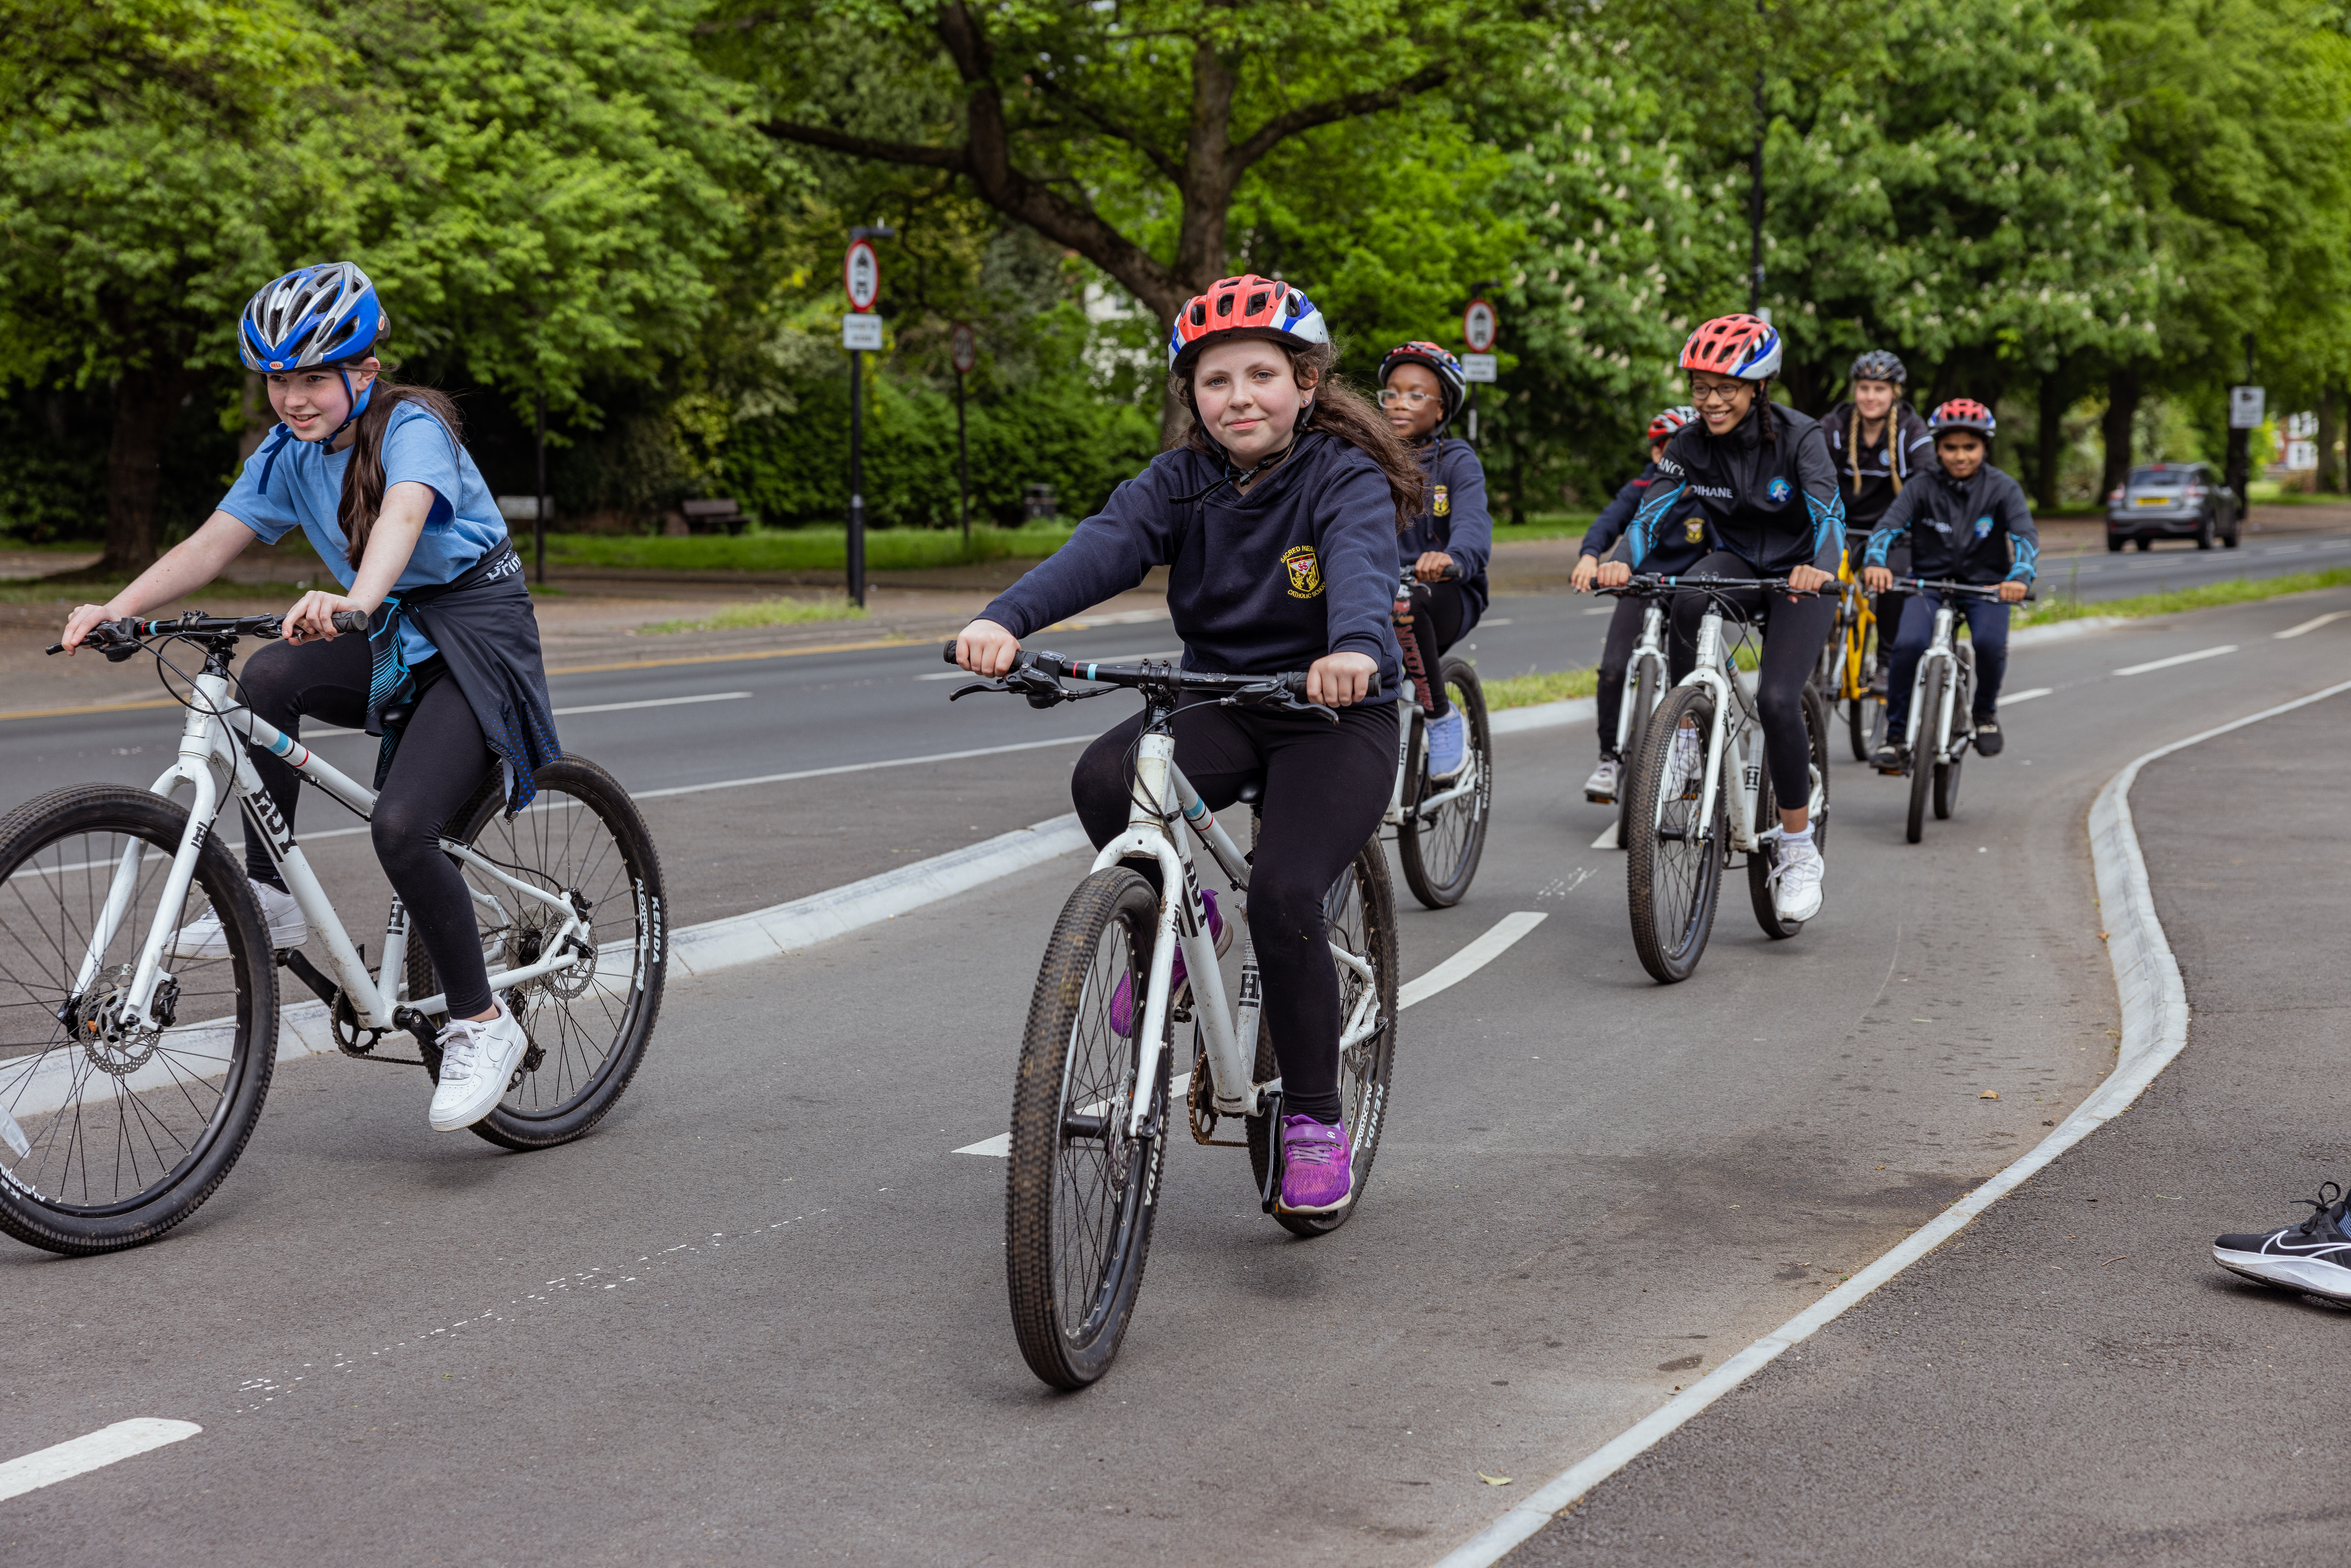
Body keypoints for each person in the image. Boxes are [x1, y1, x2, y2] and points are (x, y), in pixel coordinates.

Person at [57, 261, 562, 1135]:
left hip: (471, 635)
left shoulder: (412, 427)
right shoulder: (287, 455)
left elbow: (404, 514)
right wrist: (121, 609)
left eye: (312, 378)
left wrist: (357, 601)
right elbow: (214, 539)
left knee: (403, 828)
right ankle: (271, 893)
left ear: (362, 373)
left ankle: (482, 1023)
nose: (292, 398)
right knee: (261, 681)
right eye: (278, 379)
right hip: (391, 625)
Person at [952, 274, 1417, 1218]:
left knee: (1286, 890)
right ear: (1190, 396)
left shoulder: (1342, 475)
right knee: (1102, 776)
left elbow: (1363, 565)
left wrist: (1355, 648)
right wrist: (1005, 618)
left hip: (1336, 710)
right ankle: (1182, 920)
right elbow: (1105, 545)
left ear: (1305, 383)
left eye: (1259, 375)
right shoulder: (1182, 479)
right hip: (1224, 693)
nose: (1238, 397)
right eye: (1214, 381)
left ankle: (1315, 1120)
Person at [1623, 313, 1843, 923]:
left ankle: (1798, 852)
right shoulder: (1690, 443)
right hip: (1740, 562)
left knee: (1776, 700)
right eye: (1701, 387)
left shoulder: (1800, 437)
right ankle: (1690, 734)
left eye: (1725, 388)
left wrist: (1820, 567)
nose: (1711, 400)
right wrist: (1620, 562)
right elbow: (1649, 515)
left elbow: (1830, 517)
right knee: (1688, 594)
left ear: (1757, 389)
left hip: (1802, 574)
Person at [1862, 398, 2036, 766]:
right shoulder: (1921, 486)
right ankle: (1895, 737)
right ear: (1938, 449)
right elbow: (1887, 528)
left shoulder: (2003, 488)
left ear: (1985, 448)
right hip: (1927, 584)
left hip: (1986, 587)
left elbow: (2025, 538)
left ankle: (1985, 714)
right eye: (1951, 448)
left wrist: (2019, 577)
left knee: (1989, 646)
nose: (1961, 456)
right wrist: (1876, 562)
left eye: (1970, 447)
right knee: (1907, 647)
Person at [1570, 406, 1707, 802]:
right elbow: (1608, 522)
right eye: (1667, 448)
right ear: (1656, 455)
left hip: (1688, 591)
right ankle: (1609, 760)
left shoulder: (1710, 494)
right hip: (1639, 587)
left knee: (1694, 670)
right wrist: (1590, 556)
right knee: (1613, 668)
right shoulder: (1640, 488)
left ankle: (1693, 748)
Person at [1377, 341, 1490, 779]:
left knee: (1407, 601)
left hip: (1444, 593)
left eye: (1415, 394)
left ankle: (1441, 717)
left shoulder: (1457, 461)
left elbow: (1473, 524)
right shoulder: (1366, 460)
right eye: (1391, 393)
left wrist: (1452, 556)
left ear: (1442, 410)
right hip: (1377, 592)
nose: (1399, 403)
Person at [1821, 350, 1934, 662]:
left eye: (1880, 389)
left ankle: (1886, 659)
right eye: (1864, 388)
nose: (1871, 397)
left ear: (1894, 393)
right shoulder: (1835, 425)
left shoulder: (1911, 428)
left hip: (1895, 531)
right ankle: (1816, 654)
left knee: (1893, 580)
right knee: (1820, 576)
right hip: (1845, 526)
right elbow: (1811, 470)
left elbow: (1926, 482)